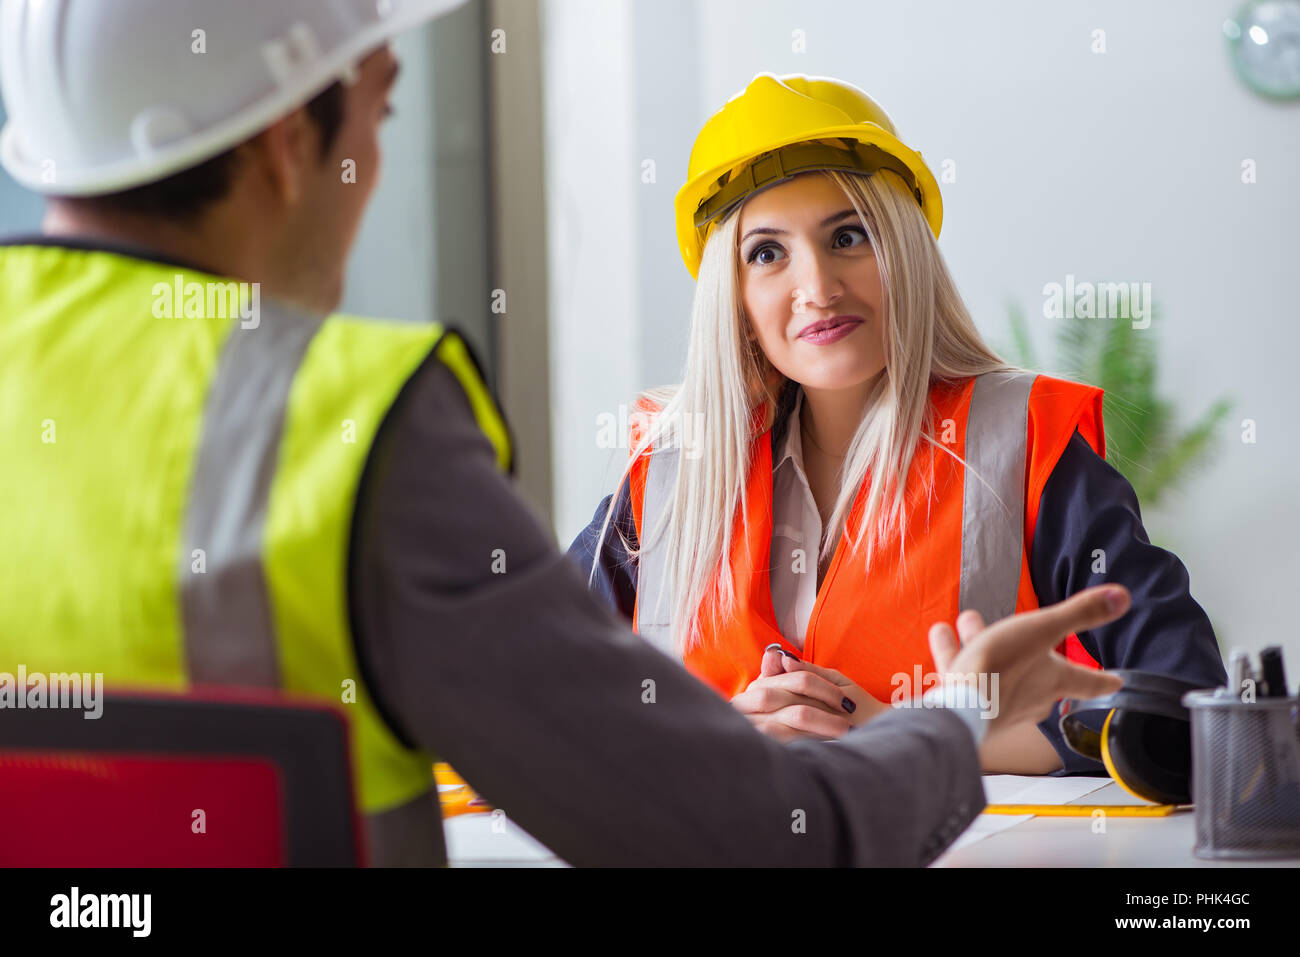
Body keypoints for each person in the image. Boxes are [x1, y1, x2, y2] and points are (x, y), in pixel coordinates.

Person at [0, 0, 1125, 867]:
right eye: (380, 117)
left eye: (845, 236)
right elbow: (749, 837)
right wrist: (955, 721)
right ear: (293, 144)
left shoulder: (1021, 439)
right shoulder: (354, 420)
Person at [569, 74, 1226, 773]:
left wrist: (921, 737)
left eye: (848, 236)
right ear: (732, 298)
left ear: (905, 253)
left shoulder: (1022, 439)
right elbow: (525, 701)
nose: (817, 288)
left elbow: (1182, 703)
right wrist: (718, 736)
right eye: (767, 252)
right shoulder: (671, 472)